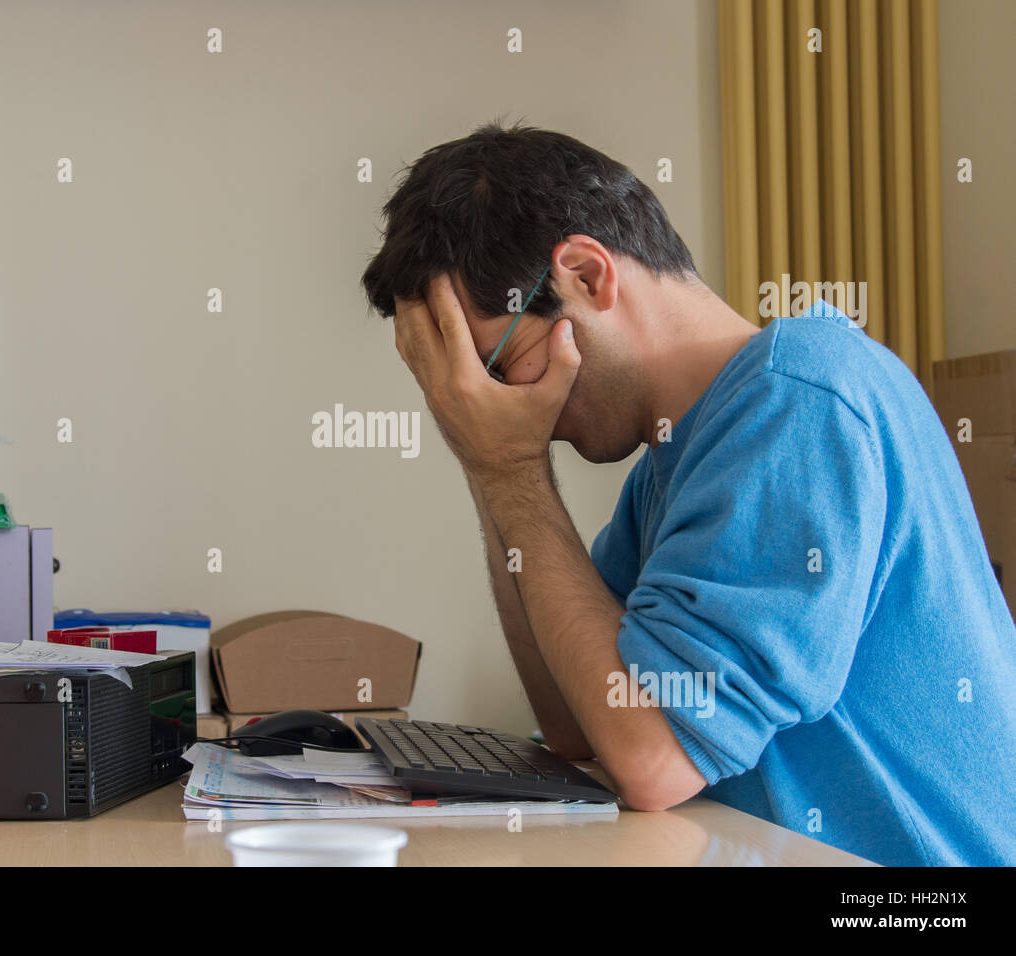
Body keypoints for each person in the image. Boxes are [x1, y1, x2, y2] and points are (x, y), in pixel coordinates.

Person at [360, 121, 1016, 866]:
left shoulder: (798, 401)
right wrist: (487, 466)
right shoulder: (678, 458)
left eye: (497, 366)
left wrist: (510, 469)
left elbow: (652, 758)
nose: (499, 405)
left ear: (586, 274)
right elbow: (580, 721)